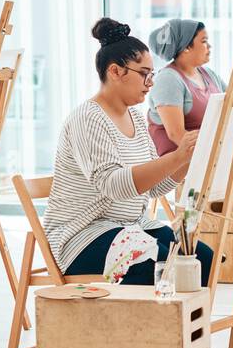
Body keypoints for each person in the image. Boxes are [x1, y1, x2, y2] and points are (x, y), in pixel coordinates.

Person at [42, 17, 213, 285]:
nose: (150, 82)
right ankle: (147, 326)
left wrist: (190, 159)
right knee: (169, 265)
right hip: (82, 236)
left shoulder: (135, 117)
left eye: (151, 74)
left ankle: (175, 327)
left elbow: (154, 188)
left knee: (202, 259)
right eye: (144, 73)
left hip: (131, 226)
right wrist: (177, 156)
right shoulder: (88, 119)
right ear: (115, 72)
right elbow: (113, 186)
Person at [145, 18, 225, 156]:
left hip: (208, 158)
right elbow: (177, 135)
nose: (210, 46)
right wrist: (217, 156)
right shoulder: (168, 80)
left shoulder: (209, 74)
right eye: (204, 41)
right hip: (178, 167)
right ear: (186, 47)